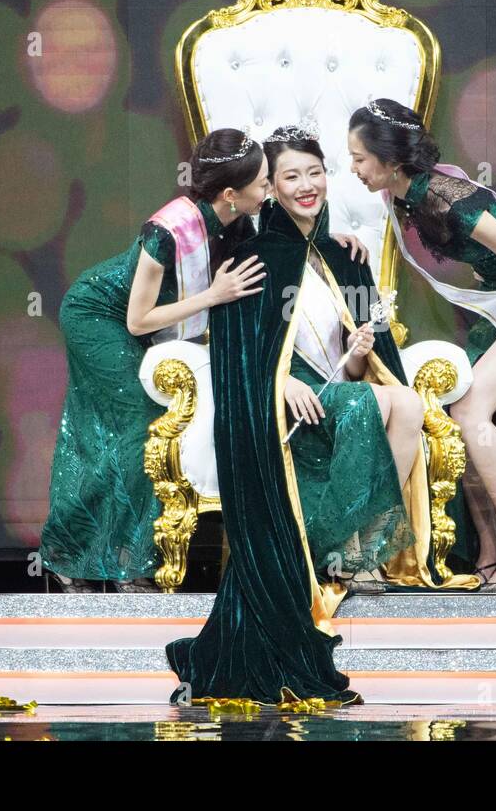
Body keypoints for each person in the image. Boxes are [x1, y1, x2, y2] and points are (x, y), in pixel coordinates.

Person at [165, 123, 473, 706]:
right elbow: (239, 356)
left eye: (315, 172)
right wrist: (280, 385)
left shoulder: (346, 257)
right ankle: (341, 556)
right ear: (271, 189)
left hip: (337, 400)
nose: (306, 186)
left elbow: (360, 371)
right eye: (290, 177)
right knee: (383, 404)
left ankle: (349, 551)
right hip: (285, 417)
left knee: (401, 401)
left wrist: (359, 354)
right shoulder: (253, 256)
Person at [348, 99, 496, 592]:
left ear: (390, 161)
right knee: (455, 410)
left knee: (470, 414)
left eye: (360, 158)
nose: (353, 168)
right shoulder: (403, 196)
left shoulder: (448, 198)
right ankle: (490, 548)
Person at [38, 129, 270, 593]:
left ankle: (92, 560)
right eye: (263, 183)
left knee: (118, 438)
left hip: (136, 325)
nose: (269, 190)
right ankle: (101, 560)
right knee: (140, 430)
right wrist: (212, 296)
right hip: (98, 317)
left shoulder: (237, 223)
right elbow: (139, 319)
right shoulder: (167, 232)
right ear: (231, 193)